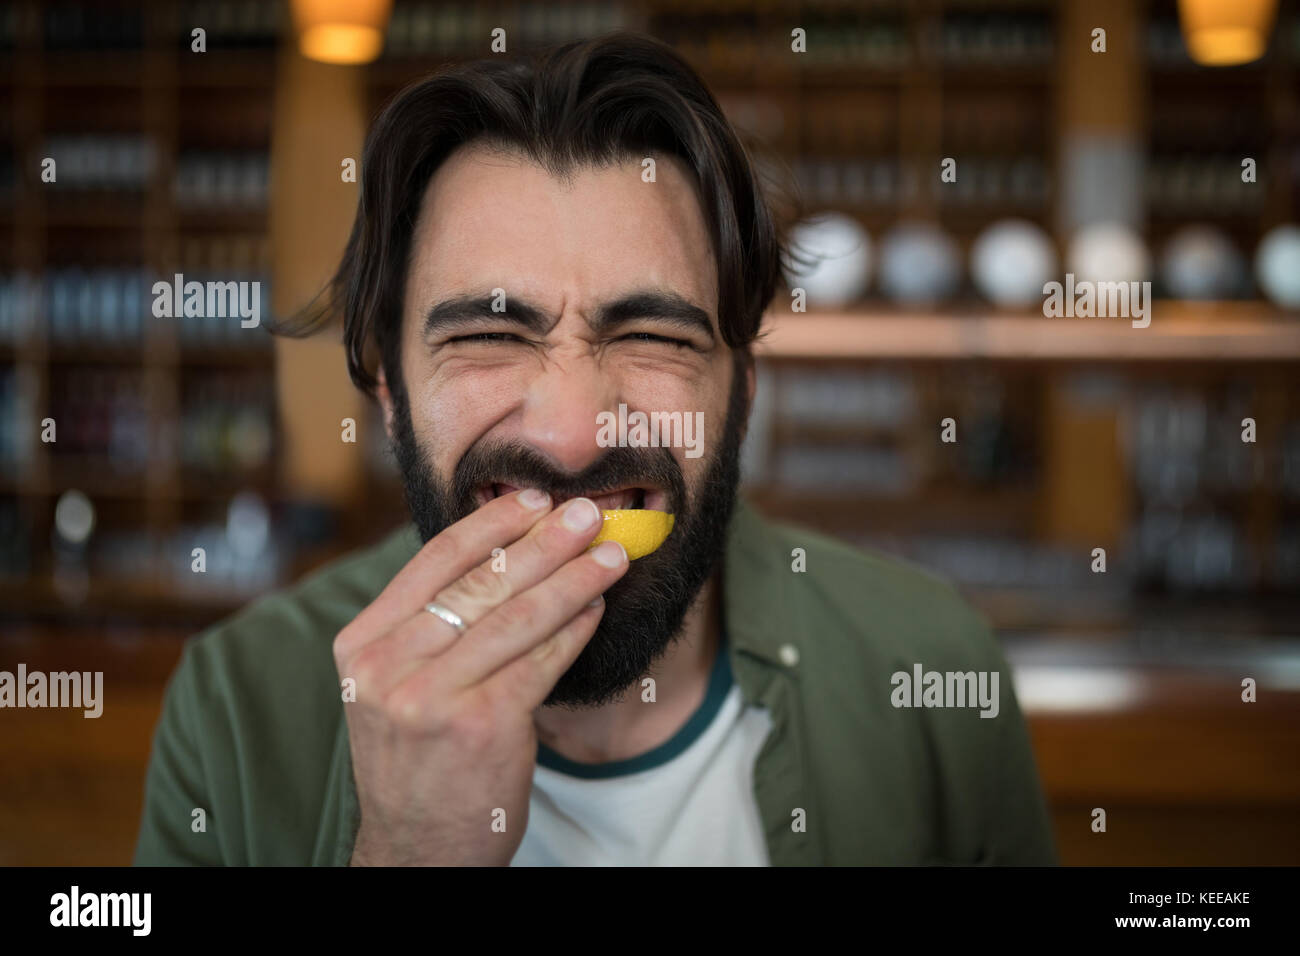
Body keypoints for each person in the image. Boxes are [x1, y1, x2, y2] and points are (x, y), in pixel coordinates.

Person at [134, 32, 1056, 866]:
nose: (576, 434)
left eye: (655, 336)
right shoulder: (235, 710)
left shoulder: (932, 671)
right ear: (389, 392)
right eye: (488, 337)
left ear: (745, 388)